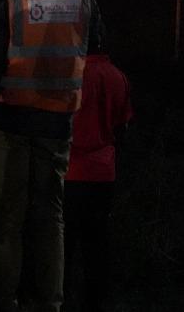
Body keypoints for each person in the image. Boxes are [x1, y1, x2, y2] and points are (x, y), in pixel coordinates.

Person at [0, 0, 105, 312]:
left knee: (7, 221)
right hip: (57, 124)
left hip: (9, 121)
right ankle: (49, 301)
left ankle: (4, 301)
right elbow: (97, 43)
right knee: (50, 218)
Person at [63, 31, 132, 312]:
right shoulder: (118, 77)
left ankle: (60, 298)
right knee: (97, 240)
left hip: (69, 172)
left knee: (64, 242)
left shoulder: (68, 75)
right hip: (103, 173)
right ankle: (96, 300)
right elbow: (122, 126)